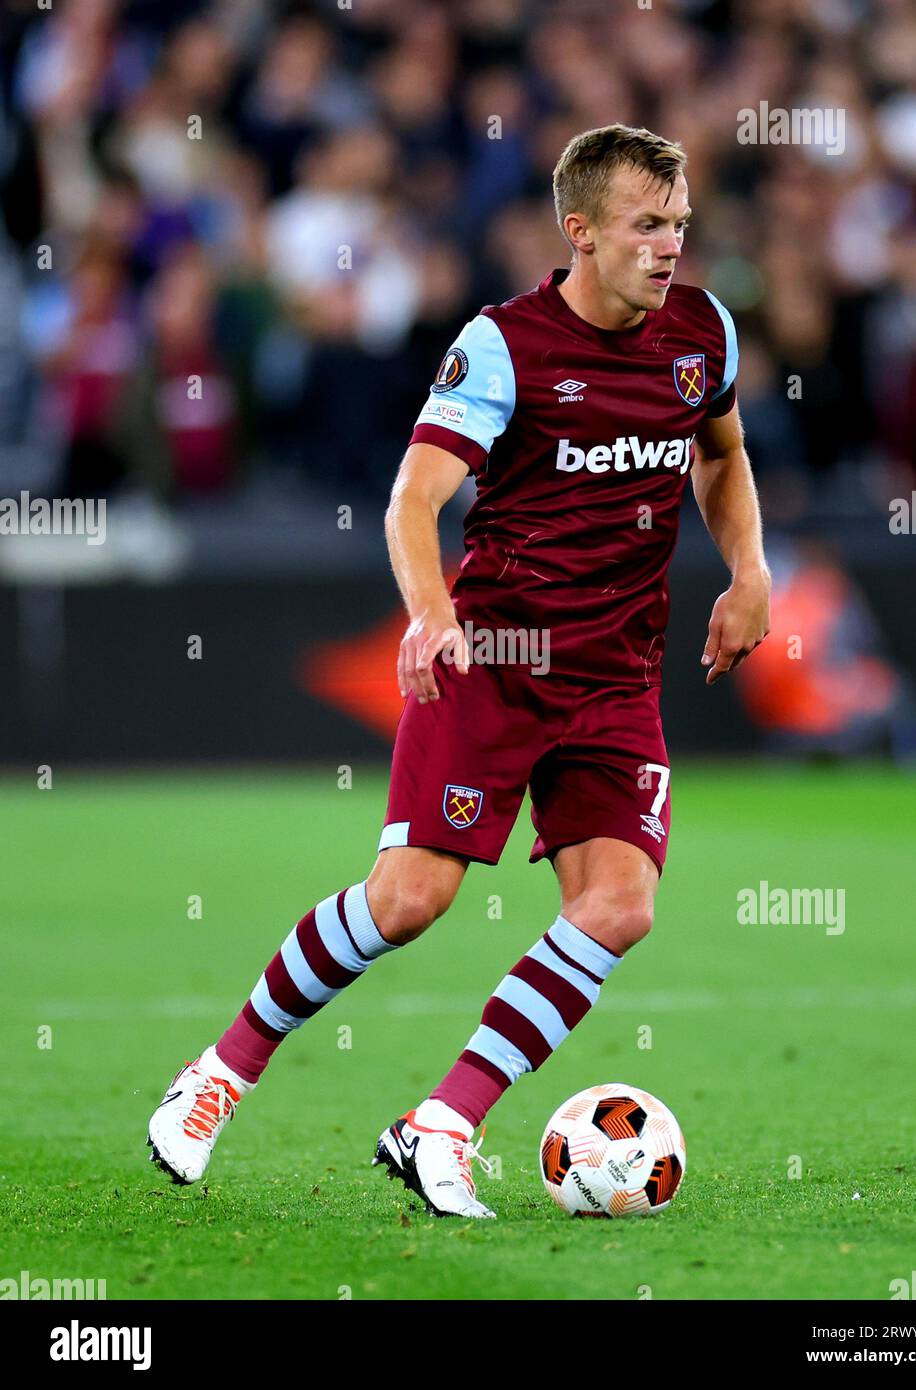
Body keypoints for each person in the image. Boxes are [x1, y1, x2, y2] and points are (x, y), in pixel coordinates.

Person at [147, 124, 771, 1219]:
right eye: (645, 226)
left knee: (620, 906)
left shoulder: (701, 333)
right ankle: (218, 1074)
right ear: (579, 231)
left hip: (614, 676)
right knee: (407, 902)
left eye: (677, 223)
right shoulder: (504, 346)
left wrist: (749, 569)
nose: (669, 245)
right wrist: (431, 616)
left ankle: (443, 1121)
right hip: (493, 664)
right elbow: (414, 498)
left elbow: (719, 452)